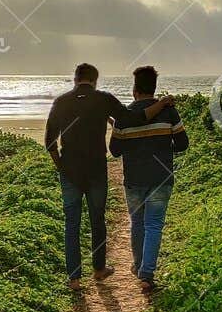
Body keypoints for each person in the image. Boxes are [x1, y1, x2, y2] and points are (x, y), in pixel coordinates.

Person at [44, 63, 170, 291]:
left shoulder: (60, 102)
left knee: (71, 223)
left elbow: (50, 143)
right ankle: (99, 269)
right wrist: (161, 104)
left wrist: (61, 166)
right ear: (95, 80)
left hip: (70, 169)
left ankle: (74, 278)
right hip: (96, 169)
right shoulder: (103, 99)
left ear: (75, 79)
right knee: (97, 219)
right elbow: (134, 118)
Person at [109, 64, 188, 295]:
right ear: (154, 89)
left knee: (138, 223)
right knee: (154, 225)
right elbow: (183, 144)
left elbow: (115, 151)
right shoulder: (169, 112)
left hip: (134, 178)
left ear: (134, 90)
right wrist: (162, 147)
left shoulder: (124, 116)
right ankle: (146, 274)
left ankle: (138, 264)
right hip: (161, 177)